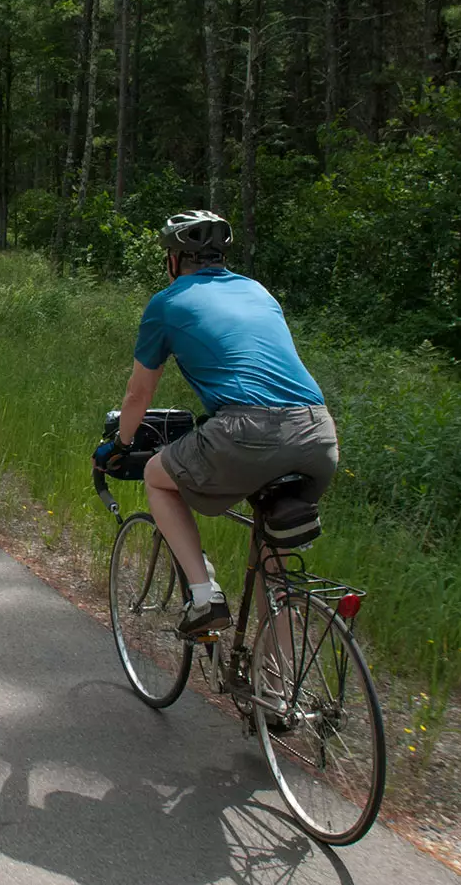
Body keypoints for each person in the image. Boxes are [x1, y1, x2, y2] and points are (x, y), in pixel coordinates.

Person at [93, 210, 338, 638]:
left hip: (248, 431)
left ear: (174, 259)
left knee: (156, 475)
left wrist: (121, 444)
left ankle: (204, 597)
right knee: (271, 565)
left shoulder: (167, 303)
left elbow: (138, 395)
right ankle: (278, 692)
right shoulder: (258, 291)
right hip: (317, 431)